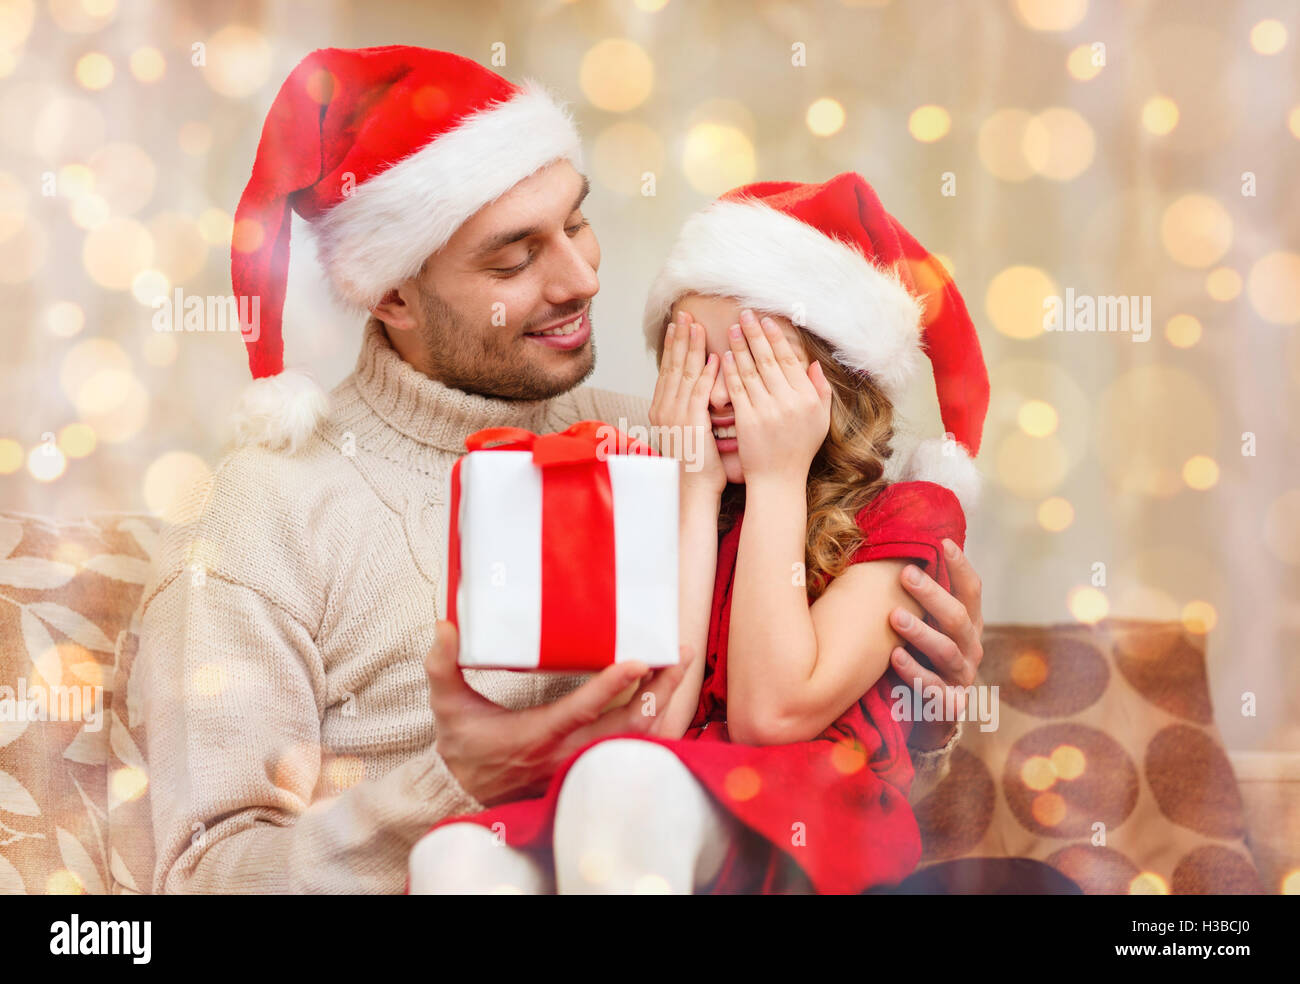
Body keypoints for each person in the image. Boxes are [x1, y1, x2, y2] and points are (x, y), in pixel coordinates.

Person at [135, 47, 984, 895]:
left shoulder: (676, 439)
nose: (582, 280)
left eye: (578, 222)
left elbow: (779, 737)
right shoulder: (260, 514)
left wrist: (915, 696)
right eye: (513, 259)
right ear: (391, 294)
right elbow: (207, 882)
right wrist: (454, 785)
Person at [409, 173, 989, 894]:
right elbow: (656, 721)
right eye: (693, 362)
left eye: (750, 364)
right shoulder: (680, 503)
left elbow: (770, 716)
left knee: (622, 778)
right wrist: (691, 487)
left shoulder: (909, 512)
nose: (716, 395)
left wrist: (779, 480)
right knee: (453, 858)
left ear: (836, 377)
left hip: (804, 819)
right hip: (655, 799)